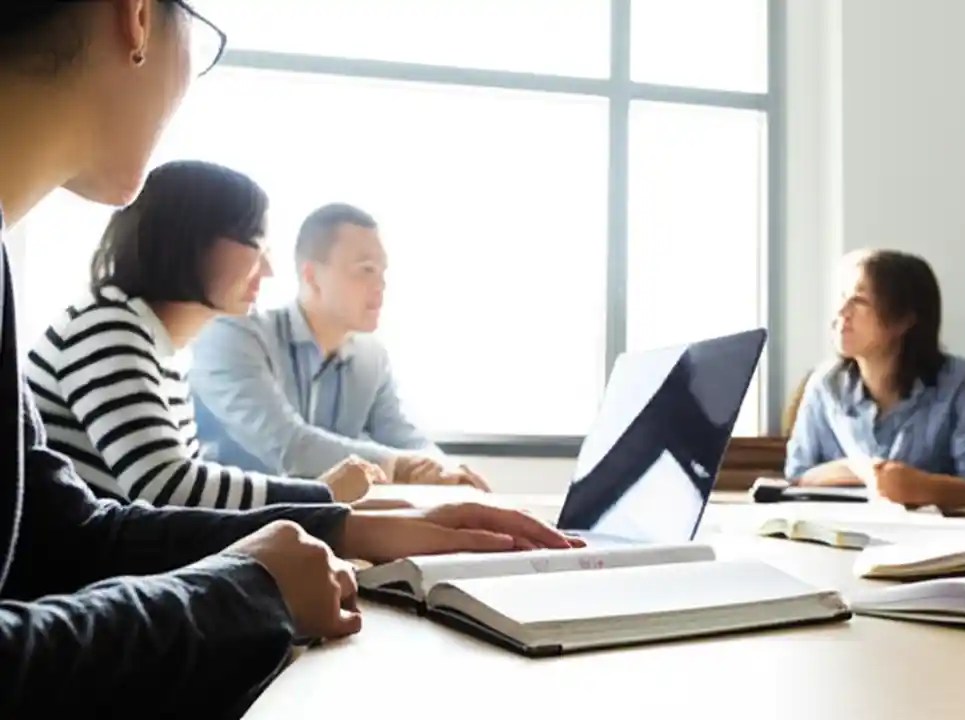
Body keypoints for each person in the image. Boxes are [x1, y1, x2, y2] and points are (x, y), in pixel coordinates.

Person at [0, 3, 577, 716]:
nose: (267, 268)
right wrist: (253, 584)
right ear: (138, 17)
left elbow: (65, 534)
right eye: (255, 242)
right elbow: (160, 486)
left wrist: (350, 524)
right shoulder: (114, 329)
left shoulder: (135, 334)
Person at [26, 160, 378, 508]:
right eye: (255, 243)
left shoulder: (158, 345)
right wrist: (319, 493)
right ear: (189, 239)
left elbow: (179, 500)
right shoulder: (107, 328)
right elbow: (169, 487)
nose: (268, 268)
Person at [189, 202, 488, 490]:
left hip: (328, 516)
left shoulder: (372, 357)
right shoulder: (234, 333)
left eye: (383, 272)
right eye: (366, 270)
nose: (381, 285)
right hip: (240, 517)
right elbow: (290, 446)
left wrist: (445, 469)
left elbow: (401, 434)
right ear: (312, 277)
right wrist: (402, 466)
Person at [785, 249, 965, 510]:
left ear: (904, 320)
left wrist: (920, 488)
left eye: (860, 300)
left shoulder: (962, 382)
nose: (842, 312)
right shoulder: (826, 384)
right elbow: (797, 476)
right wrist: (861, 469)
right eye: (842, 298)